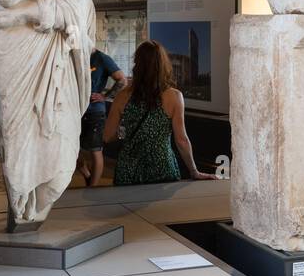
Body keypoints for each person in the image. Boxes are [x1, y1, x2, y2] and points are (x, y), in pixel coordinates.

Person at [104, 40, 215, 184]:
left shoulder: (122, 96)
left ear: (137, 64)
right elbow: (181, 140)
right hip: (162, 168)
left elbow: (107, 136)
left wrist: (126, 130)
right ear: (163, 65)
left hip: (129, 169)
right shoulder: (175, 97)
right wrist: (194, 171)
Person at [79, 47, 125, 187]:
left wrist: (105, 96)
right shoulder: (77, 55)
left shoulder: (101, 58)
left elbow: (122, 80)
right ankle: (87, 175)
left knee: (95, 151)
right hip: (76, 111)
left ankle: (92, 189)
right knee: (71, 149)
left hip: (94, 112)